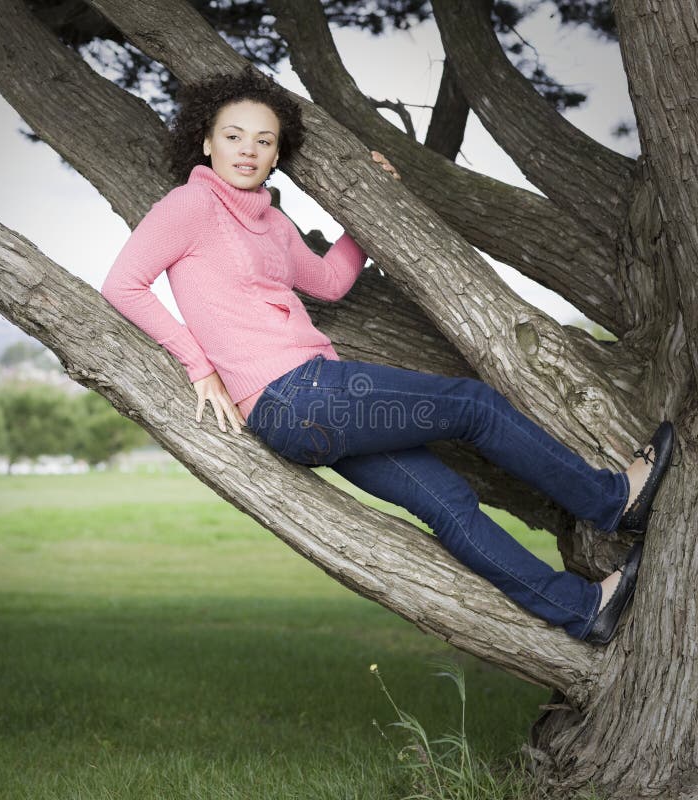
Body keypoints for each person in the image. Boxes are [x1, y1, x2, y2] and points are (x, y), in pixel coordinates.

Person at [101, 65, 675, 645]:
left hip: (308, 410)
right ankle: (610, 500)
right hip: (300, 396)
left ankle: (581, 609)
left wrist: (367, 212)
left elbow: (327, 281)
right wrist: (200, 367)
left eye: (263, 140)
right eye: (233, 135)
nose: (247, 150)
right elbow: (123, 284)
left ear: (277, 154)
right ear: (205, 141)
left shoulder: (271, 222)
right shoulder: (189, 206)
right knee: (473, 405)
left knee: (446, 500)